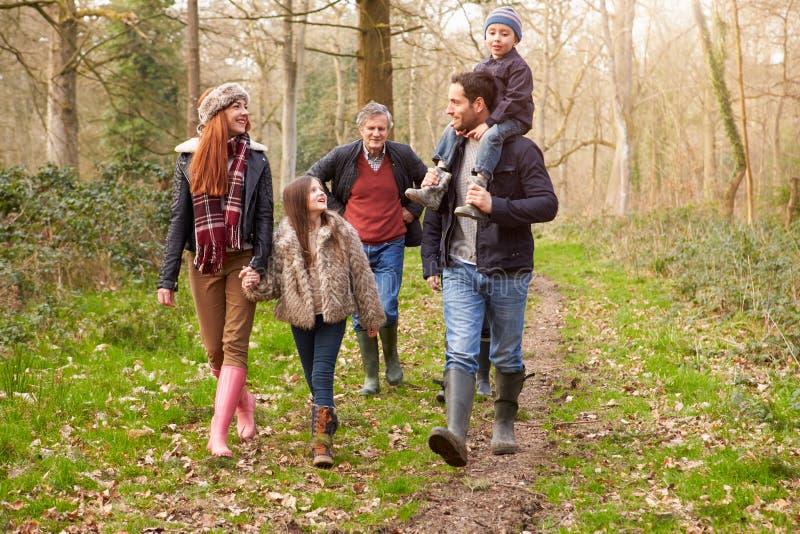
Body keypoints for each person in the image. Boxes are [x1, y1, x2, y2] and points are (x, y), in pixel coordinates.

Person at [421, 71, 557, 467]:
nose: (448, 109)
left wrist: (496, 206)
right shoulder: (450, 149)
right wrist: (432, 259)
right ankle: (456, 436)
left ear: (478, 105)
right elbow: (436, 209)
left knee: (506, 354)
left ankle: (503, 424)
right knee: (459, 352)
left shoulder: (520, 151)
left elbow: (547, 205)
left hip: (507, 269)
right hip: (459, 268)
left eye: (455, 102)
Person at [157, 82, 274, 457]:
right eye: (235, 106)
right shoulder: (188, 160)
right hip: (204, 261)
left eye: (245, 105)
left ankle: (217, 433)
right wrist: (167, 277)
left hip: (243, 261)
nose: (244, 112)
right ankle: (244, 404)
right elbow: (179, 219)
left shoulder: (256, 158)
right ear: (216, 115)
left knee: (234, 345)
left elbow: (266, 216)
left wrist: (260, 263)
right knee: (214, 351)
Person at [240, 176, 385, 468]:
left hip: (333, 315)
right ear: (297, 200)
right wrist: (252, 282)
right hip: (301, 317)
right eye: (314, 191)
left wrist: (371, 315)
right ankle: (327, 415)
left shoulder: (341, 230)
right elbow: (273, 286)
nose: (322, 194)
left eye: (321, 189)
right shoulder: (283, 238)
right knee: (313, 381)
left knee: (321, 375)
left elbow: (362, 275)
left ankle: (321, 445)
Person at [307, 102, 428, 396]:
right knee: (362, 311)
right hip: (353, 246)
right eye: (371, 128)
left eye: (381, 128)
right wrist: (337, 211)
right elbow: (312, 175)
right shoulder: (343, 155)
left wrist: (412, 210)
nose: (376, 133)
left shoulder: (402, 154)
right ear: (361, 129)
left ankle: (392, 361)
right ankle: (371, 376)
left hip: (391, 243)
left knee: (385, 305)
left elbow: (428, 181)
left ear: (388, 130)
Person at [406, 6, 533, 221]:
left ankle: (479, 187)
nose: (497, 38)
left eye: (505, 34)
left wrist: (489, 123)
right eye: (492, 32)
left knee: (492, 137)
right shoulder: (481, 65)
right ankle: (437, 182)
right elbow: (475, 97)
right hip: (489, 118)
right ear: (485, 35)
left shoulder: (519, 67)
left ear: (516, 40)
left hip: (514, 119)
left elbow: (515, 100)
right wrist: (469, 121)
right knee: (452, 127)